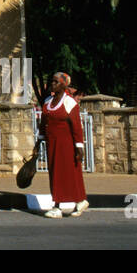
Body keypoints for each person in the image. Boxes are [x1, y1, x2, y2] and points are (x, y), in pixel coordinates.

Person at [38, 71, 88, 218]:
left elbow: (77, 127)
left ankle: (58, 206)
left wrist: (79, 147)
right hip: (52, 144)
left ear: (63, 85)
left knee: (70, 174)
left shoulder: (70, 103)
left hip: (67, 145)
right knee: (55, 173)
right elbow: (43, 123)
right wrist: (38, 142)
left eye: (56, 82)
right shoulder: (48, 102)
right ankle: (80, 201)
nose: (52, 84)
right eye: (52, 81)